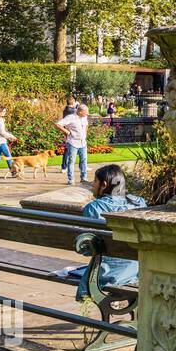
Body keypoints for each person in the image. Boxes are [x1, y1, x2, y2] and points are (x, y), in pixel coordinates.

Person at [66, 164, 147, 300]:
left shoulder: (94, 208)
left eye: (95, 181)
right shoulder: (139, 202)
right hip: (136, 270)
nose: (92, 185)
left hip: (105, 273)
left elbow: (86, 249)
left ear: (104, 185)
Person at [55, 104, 90, 185]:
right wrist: (67, 132)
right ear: (80, 112)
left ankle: (84, 178)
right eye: (85, 112)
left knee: (84, 160)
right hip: (73, 142)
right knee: (71, 161)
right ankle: (71, 180)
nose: (87, 114)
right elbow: (58, 124)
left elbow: (86, 125)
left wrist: (84, 134)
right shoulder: (70, 117)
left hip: (83, 142)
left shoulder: (84, 117)